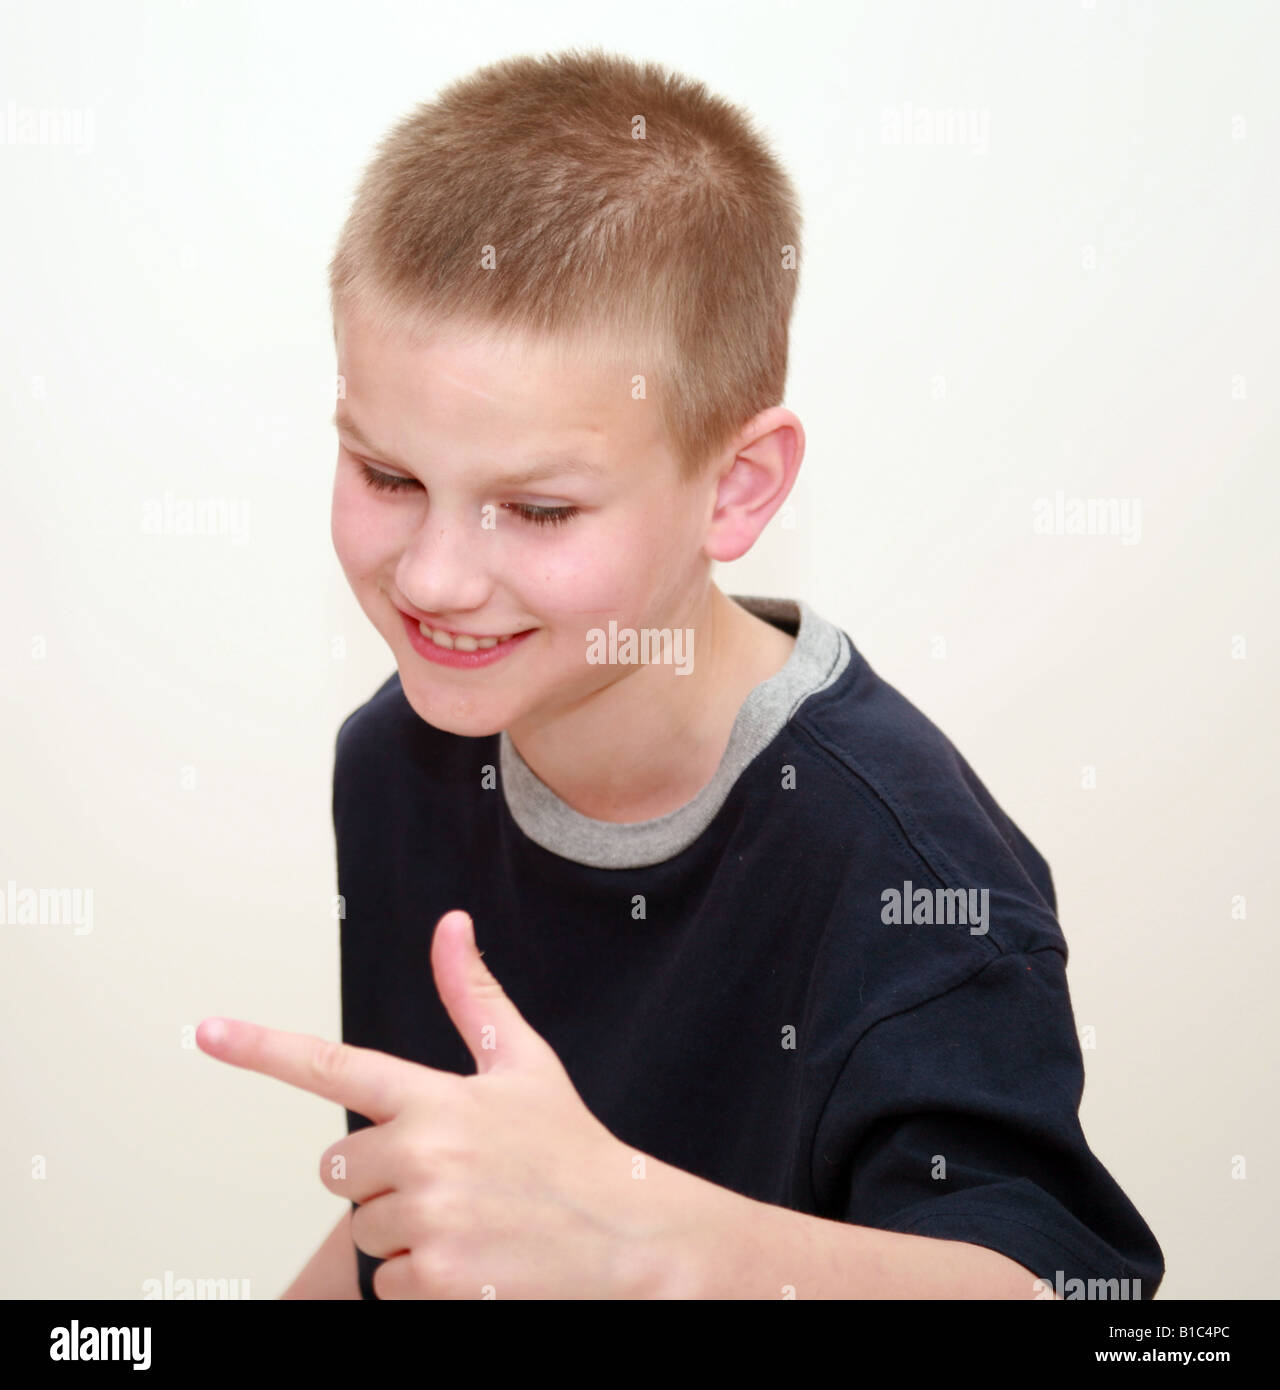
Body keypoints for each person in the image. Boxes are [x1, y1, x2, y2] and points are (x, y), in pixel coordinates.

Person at [283, 47, 1164, 1300]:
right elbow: (432, 1216)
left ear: (737, 487)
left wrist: (650, 1247)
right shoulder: (396, 756)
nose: (430, 578)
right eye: (387, 477)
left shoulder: (903, 869)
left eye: (533, 509)